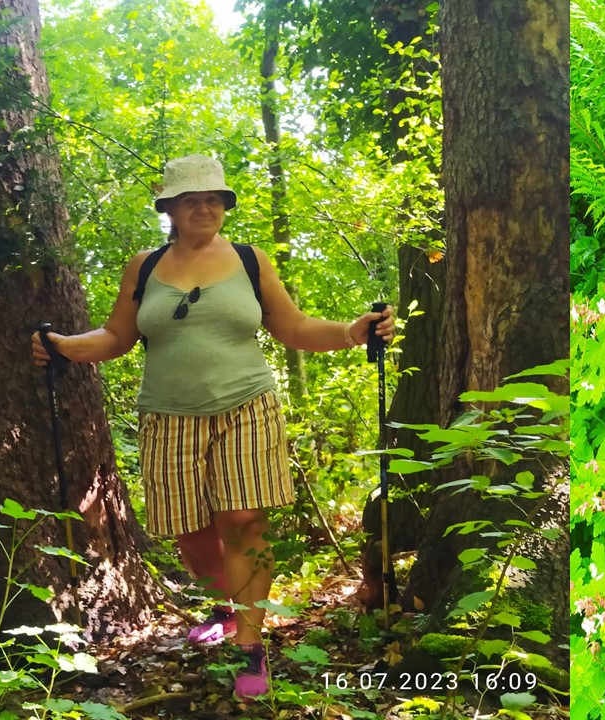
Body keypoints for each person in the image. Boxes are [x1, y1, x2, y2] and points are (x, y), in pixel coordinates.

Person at [31, 153, 395, 699]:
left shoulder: (250, 260)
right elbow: (116, 337)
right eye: (189, 200)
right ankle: (225, 607)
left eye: (212, 199)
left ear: (224, 205)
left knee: (243, 519)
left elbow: (293, 327)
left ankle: (251, 647)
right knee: (190, 532)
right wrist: (62, 347)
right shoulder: (145, 266)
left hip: (246, 406)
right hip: (166, 414)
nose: (203, 207)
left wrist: (353, 331)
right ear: (170, 209)